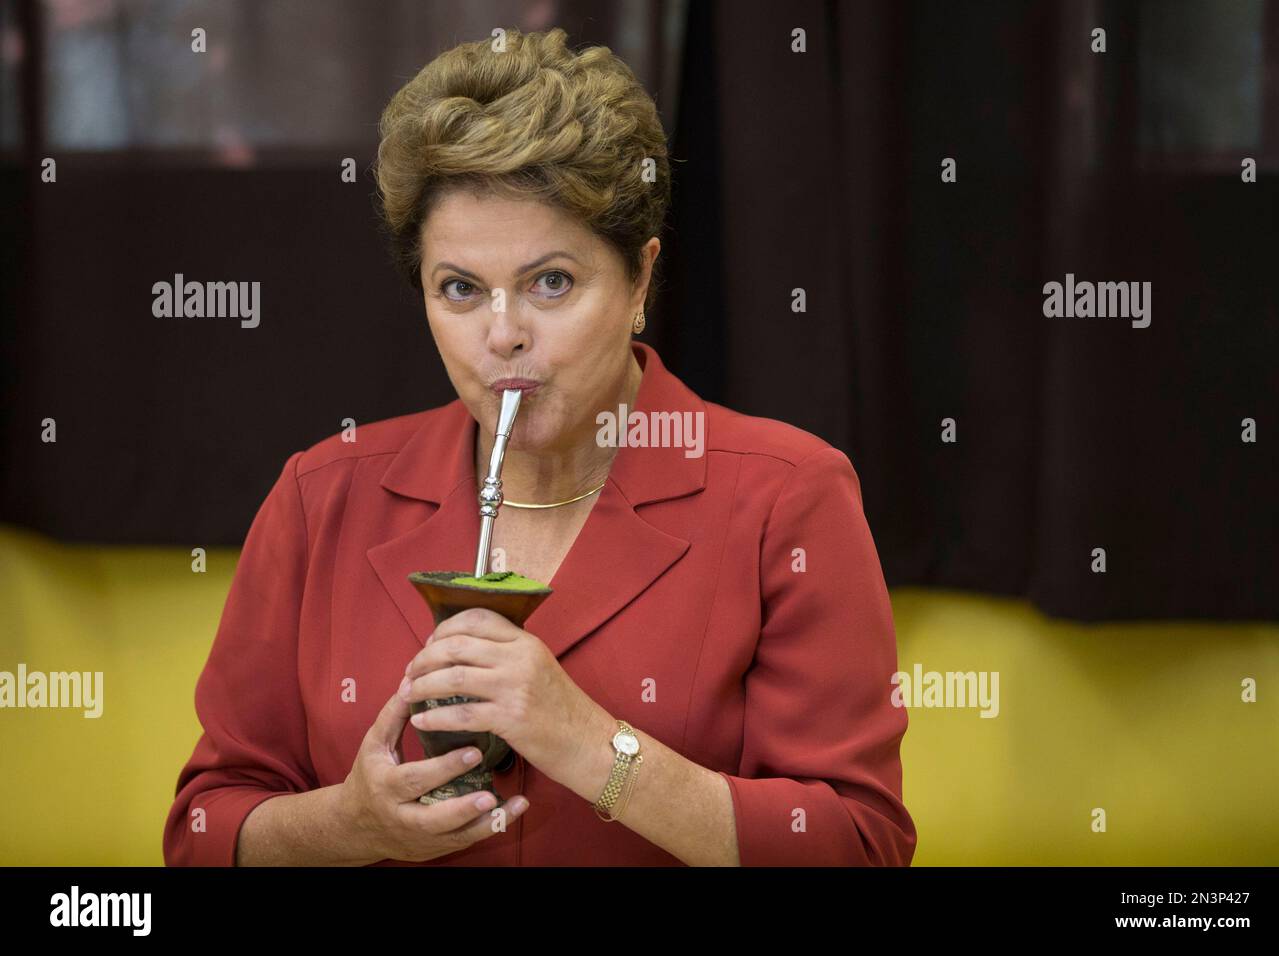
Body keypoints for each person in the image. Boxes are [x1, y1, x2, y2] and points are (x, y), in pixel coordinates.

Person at [163, 26, 916, 867]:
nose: (502, 336)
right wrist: (348, 827)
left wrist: (593, 747)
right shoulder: (320, 494)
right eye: (459, 289)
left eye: (550, 282)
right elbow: (203, 832)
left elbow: (858, 847)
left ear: (640, 280)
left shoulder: (787, 495)